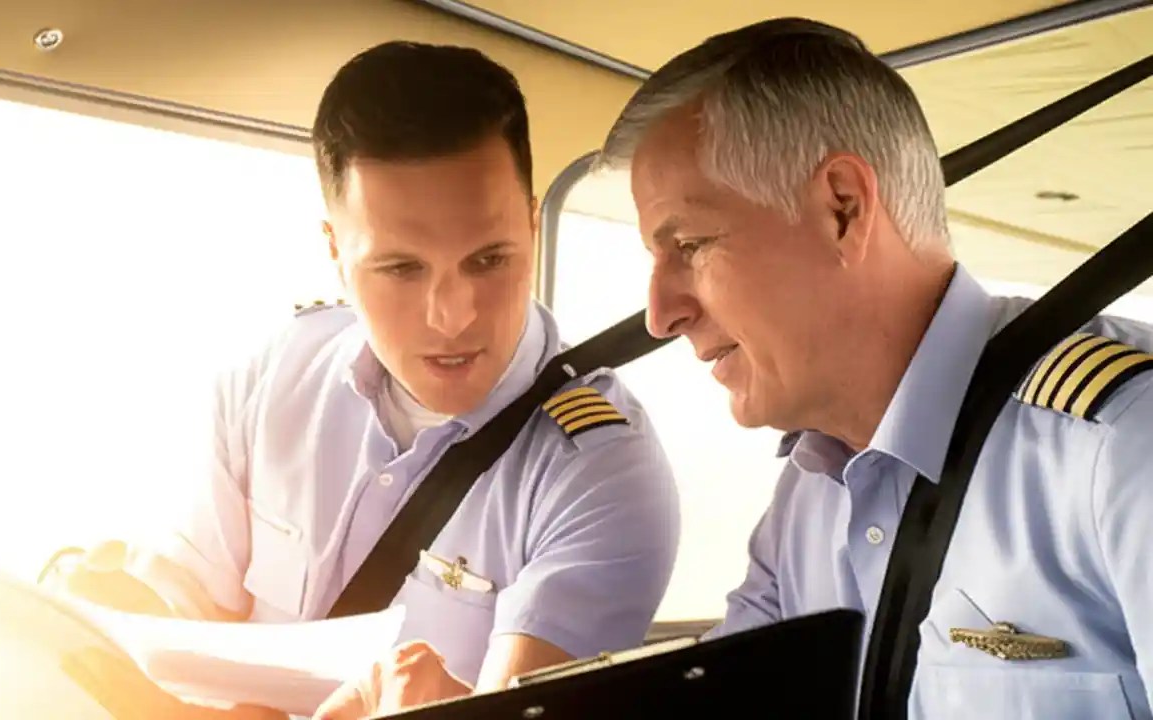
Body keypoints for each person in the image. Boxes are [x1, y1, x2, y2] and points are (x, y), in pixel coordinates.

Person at [319, 17, 1153, 720]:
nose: (660, 313)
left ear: (842, 208)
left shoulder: (1122, 448)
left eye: (689, 244)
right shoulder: (811, 500)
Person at [49, 39, 681, 715]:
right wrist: (94, 614)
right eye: (402, 269)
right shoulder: (270, 378)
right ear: (335, 252)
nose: (452, 316)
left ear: (531, 226)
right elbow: (191, 607)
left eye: (489, 259)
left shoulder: (601, 472)